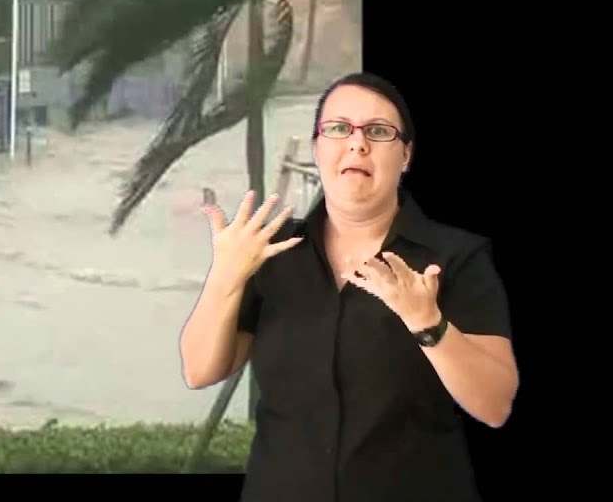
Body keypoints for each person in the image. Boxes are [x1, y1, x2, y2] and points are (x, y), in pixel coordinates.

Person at [179, 72, 517, 502]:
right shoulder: (269, 252)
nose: (357, 143)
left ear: (406, 156)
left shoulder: (455, 258)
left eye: (378, 132)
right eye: (339, 128)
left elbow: (494, 406)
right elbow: (200, 371)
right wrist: (225, 275)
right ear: (318, 148)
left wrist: (426, 321)